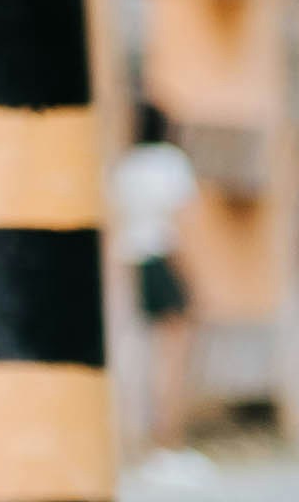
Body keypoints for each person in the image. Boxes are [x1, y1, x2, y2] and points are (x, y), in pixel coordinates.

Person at [119, 95, 199, 449]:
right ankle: (169, 442)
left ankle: (142, 439)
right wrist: (194, 278)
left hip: (130, 263)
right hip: (163, 259)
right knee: (174, 357)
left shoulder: (124, 167)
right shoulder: (170, 164)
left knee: (140, 357)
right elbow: (183, 227)